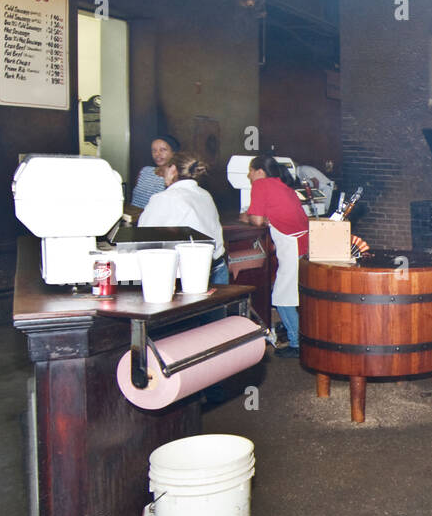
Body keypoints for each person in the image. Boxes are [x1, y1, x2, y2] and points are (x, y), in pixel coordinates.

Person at [241, 155, 309, 358]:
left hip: (291, 247)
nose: (248, 175)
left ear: (260, 171)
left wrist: (245, 216)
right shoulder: (284, 186)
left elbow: (256, 221)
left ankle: (297, 344)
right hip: (302, 245)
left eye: (250, 171)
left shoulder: (261, 185)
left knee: (282, 297)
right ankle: (300, 338)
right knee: (292, 295)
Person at [138, 151, 228, 284]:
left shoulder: (164, 198)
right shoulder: (204, 194)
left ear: (173, 169)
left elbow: (143, 237)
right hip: (217, 268)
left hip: (189, 274)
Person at [131, 134, 180, 210]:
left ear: (174, 152)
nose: (157, 154)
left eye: (163, 150)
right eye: (154, 150)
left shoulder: (177, 177)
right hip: (132, 218)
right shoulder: (145, 171)